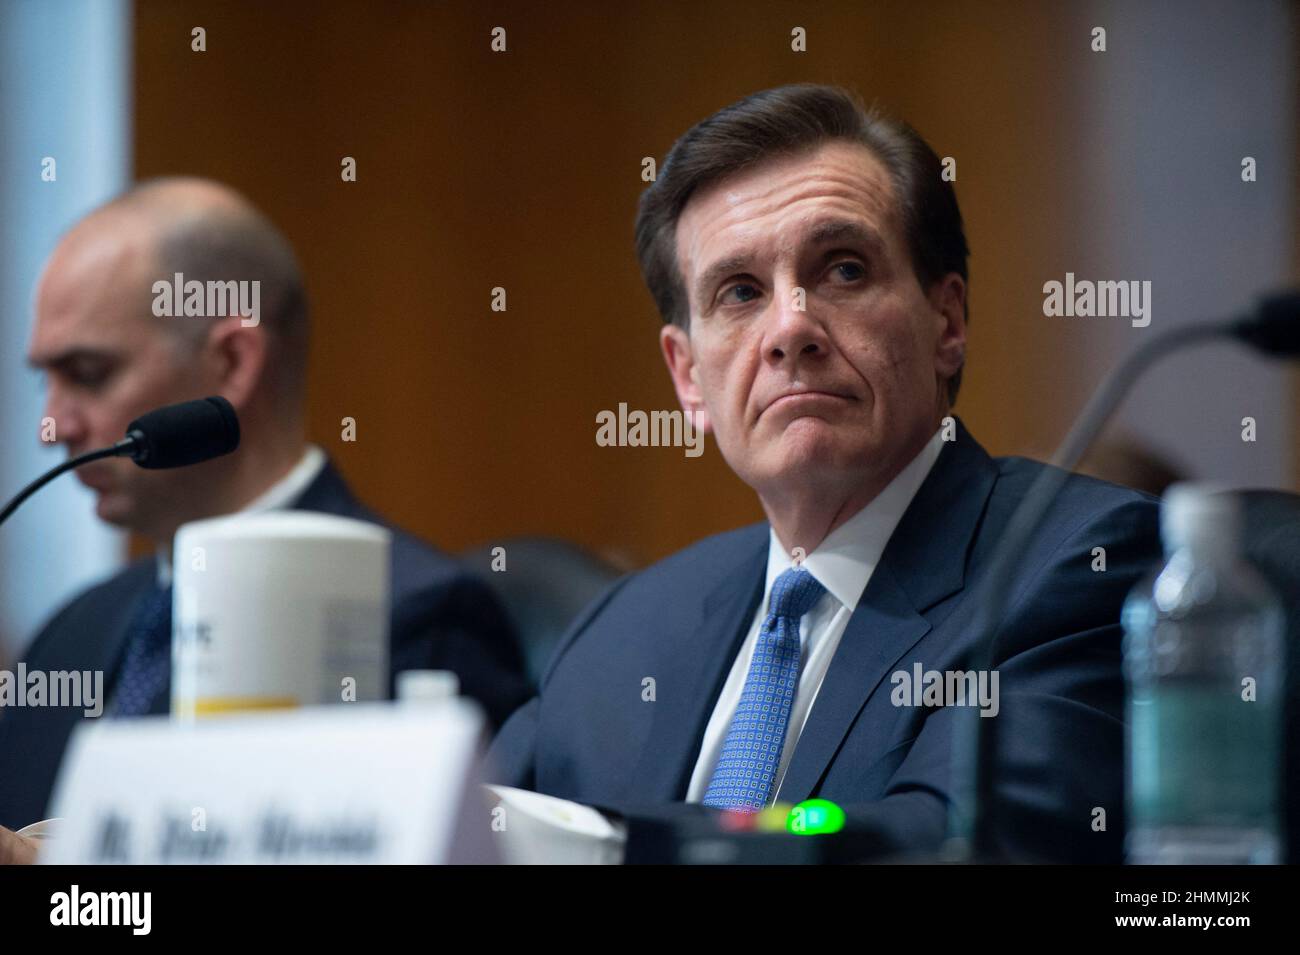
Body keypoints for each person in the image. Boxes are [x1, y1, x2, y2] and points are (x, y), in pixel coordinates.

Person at [489, 84, 1162, 862]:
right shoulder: (623, 633)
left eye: (843, 270)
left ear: (948, 322)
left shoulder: (1072, 566)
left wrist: (620, 846)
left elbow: (957, 838)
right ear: (686, 377)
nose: (791, 327)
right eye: (740, 291)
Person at [0, 178, 530, 832]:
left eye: (87, 374)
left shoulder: (417, 617)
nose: (52, 426)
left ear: (231, 363)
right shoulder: (69, 633)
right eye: (43, 382)